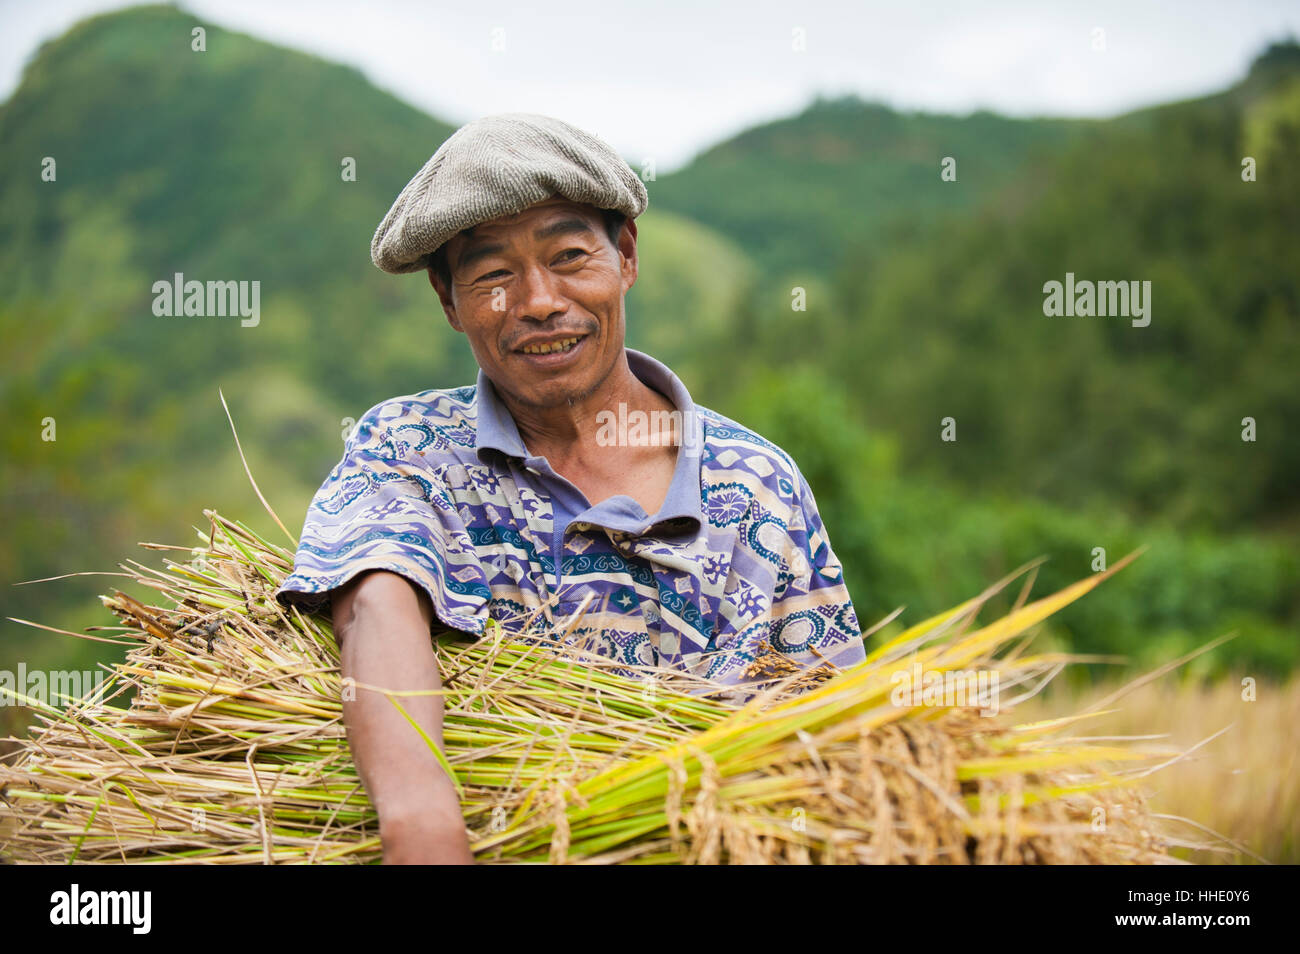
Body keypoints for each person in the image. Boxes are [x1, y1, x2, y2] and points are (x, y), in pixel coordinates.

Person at [275, 113, 866, 863]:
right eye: (492, 275)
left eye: (569, 255)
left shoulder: (758, 489)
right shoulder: (410, 449)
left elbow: (827, 735)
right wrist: (422, 824)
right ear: (448, 301)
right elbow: (375, 602)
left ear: (625, 256)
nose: (541, 301)